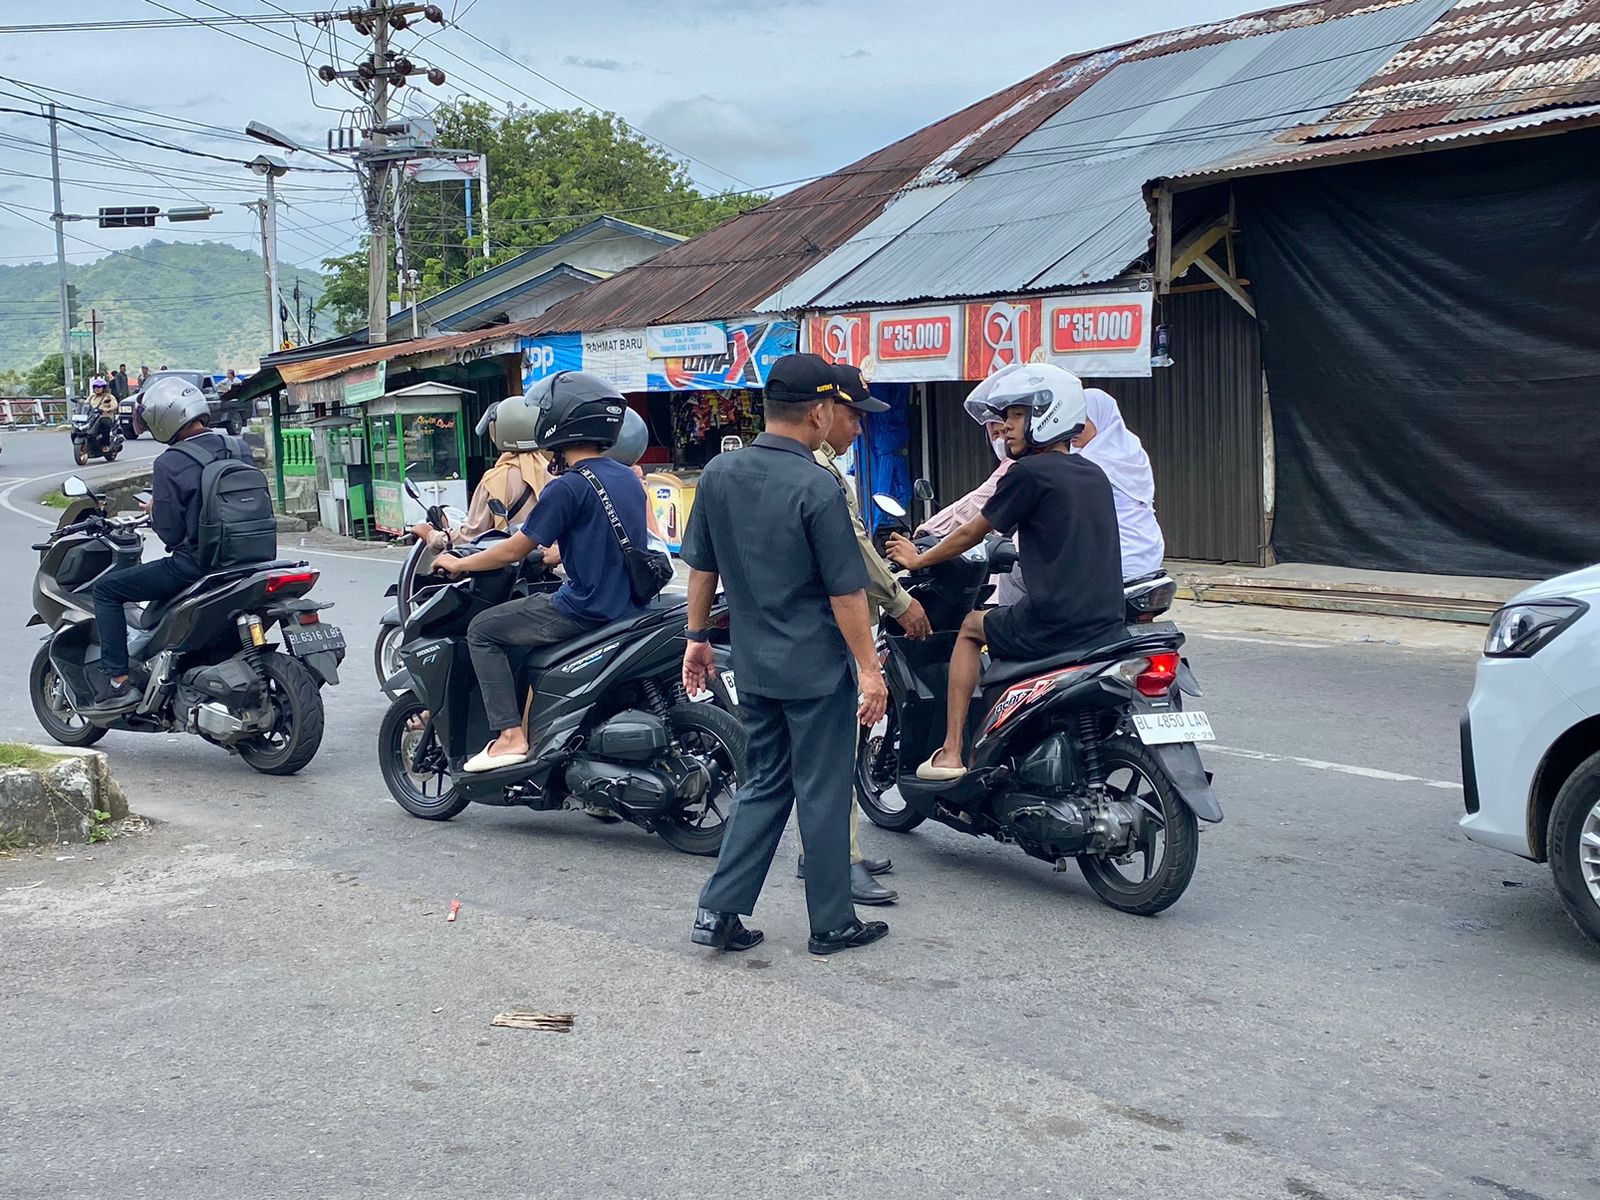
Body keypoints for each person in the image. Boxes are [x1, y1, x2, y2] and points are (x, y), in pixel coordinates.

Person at [682, 352, 890, 957]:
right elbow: (846, 592)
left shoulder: (719, 474)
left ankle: (718, 912)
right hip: (816, 666)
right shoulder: (817, 486)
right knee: (822, 788)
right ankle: (832, 922)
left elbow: (702, 567)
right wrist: (869, 670)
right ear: (821, 413)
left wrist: (696, 638)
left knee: (764, 782)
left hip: (754, 663)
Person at [886, 364, 1123, 779]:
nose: (1005, 428)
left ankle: (952, 750)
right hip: (1105, 621)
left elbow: (971, 531)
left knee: (972, 627)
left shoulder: (1027, 473)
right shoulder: (1094, 472)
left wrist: (918, 559)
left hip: (1052, 621)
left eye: (1015, 416)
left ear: (1048, 415)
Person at [433, 372, 650, 773]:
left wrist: (458, 562)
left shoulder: (568, 486)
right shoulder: (628, 478)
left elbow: (515, 549)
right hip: (631, 606)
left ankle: (510, 735)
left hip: (585, 608)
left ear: (561, 423)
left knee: (483, 629)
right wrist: (555, 553)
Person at [792, 362, 932, 906]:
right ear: (822, 413)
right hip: (829, 629)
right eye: (853, 416)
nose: (860, 429)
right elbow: (853, 556)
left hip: (806, 631)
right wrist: (900, 600)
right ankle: (838, 862)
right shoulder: (820, 475)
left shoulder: (825, 467)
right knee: (833, 748)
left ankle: (825, 851)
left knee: (833, 750)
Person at [88, 378, 242, 708]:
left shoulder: (170, 462)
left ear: (164, 419)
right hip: (248, 559)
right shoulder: (236, 446)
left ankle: (117, 680)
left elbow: (172, 534)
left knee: (107, 590)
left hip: (197, 564)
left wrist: (156, 512)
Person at [915, 364, 1027, 604]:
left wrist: (926, 535)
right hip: (1057, 583)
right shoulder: (1079, 466)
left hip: (1029, 581)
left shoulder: (1022, 470)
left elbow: (974, 515)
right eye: (995, 433)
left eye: (1011, 424)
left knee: (971, 629)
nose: (1004, 435)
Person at [409, 400, 554, 552]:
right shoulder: (554, 473)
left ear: (497, 432)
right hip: (552, 568)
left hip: (512, 567)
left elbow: (471, 536)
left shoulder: (496, 480)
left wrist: (433, 536)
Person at [1072, 388, 1165, 581]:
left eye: (1082, 420)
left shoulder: (1089, 462)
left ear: (1100, 418)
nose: (1074, 427)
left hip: (1116, 557)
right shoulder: (1132, 447)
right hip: (1150, 549)